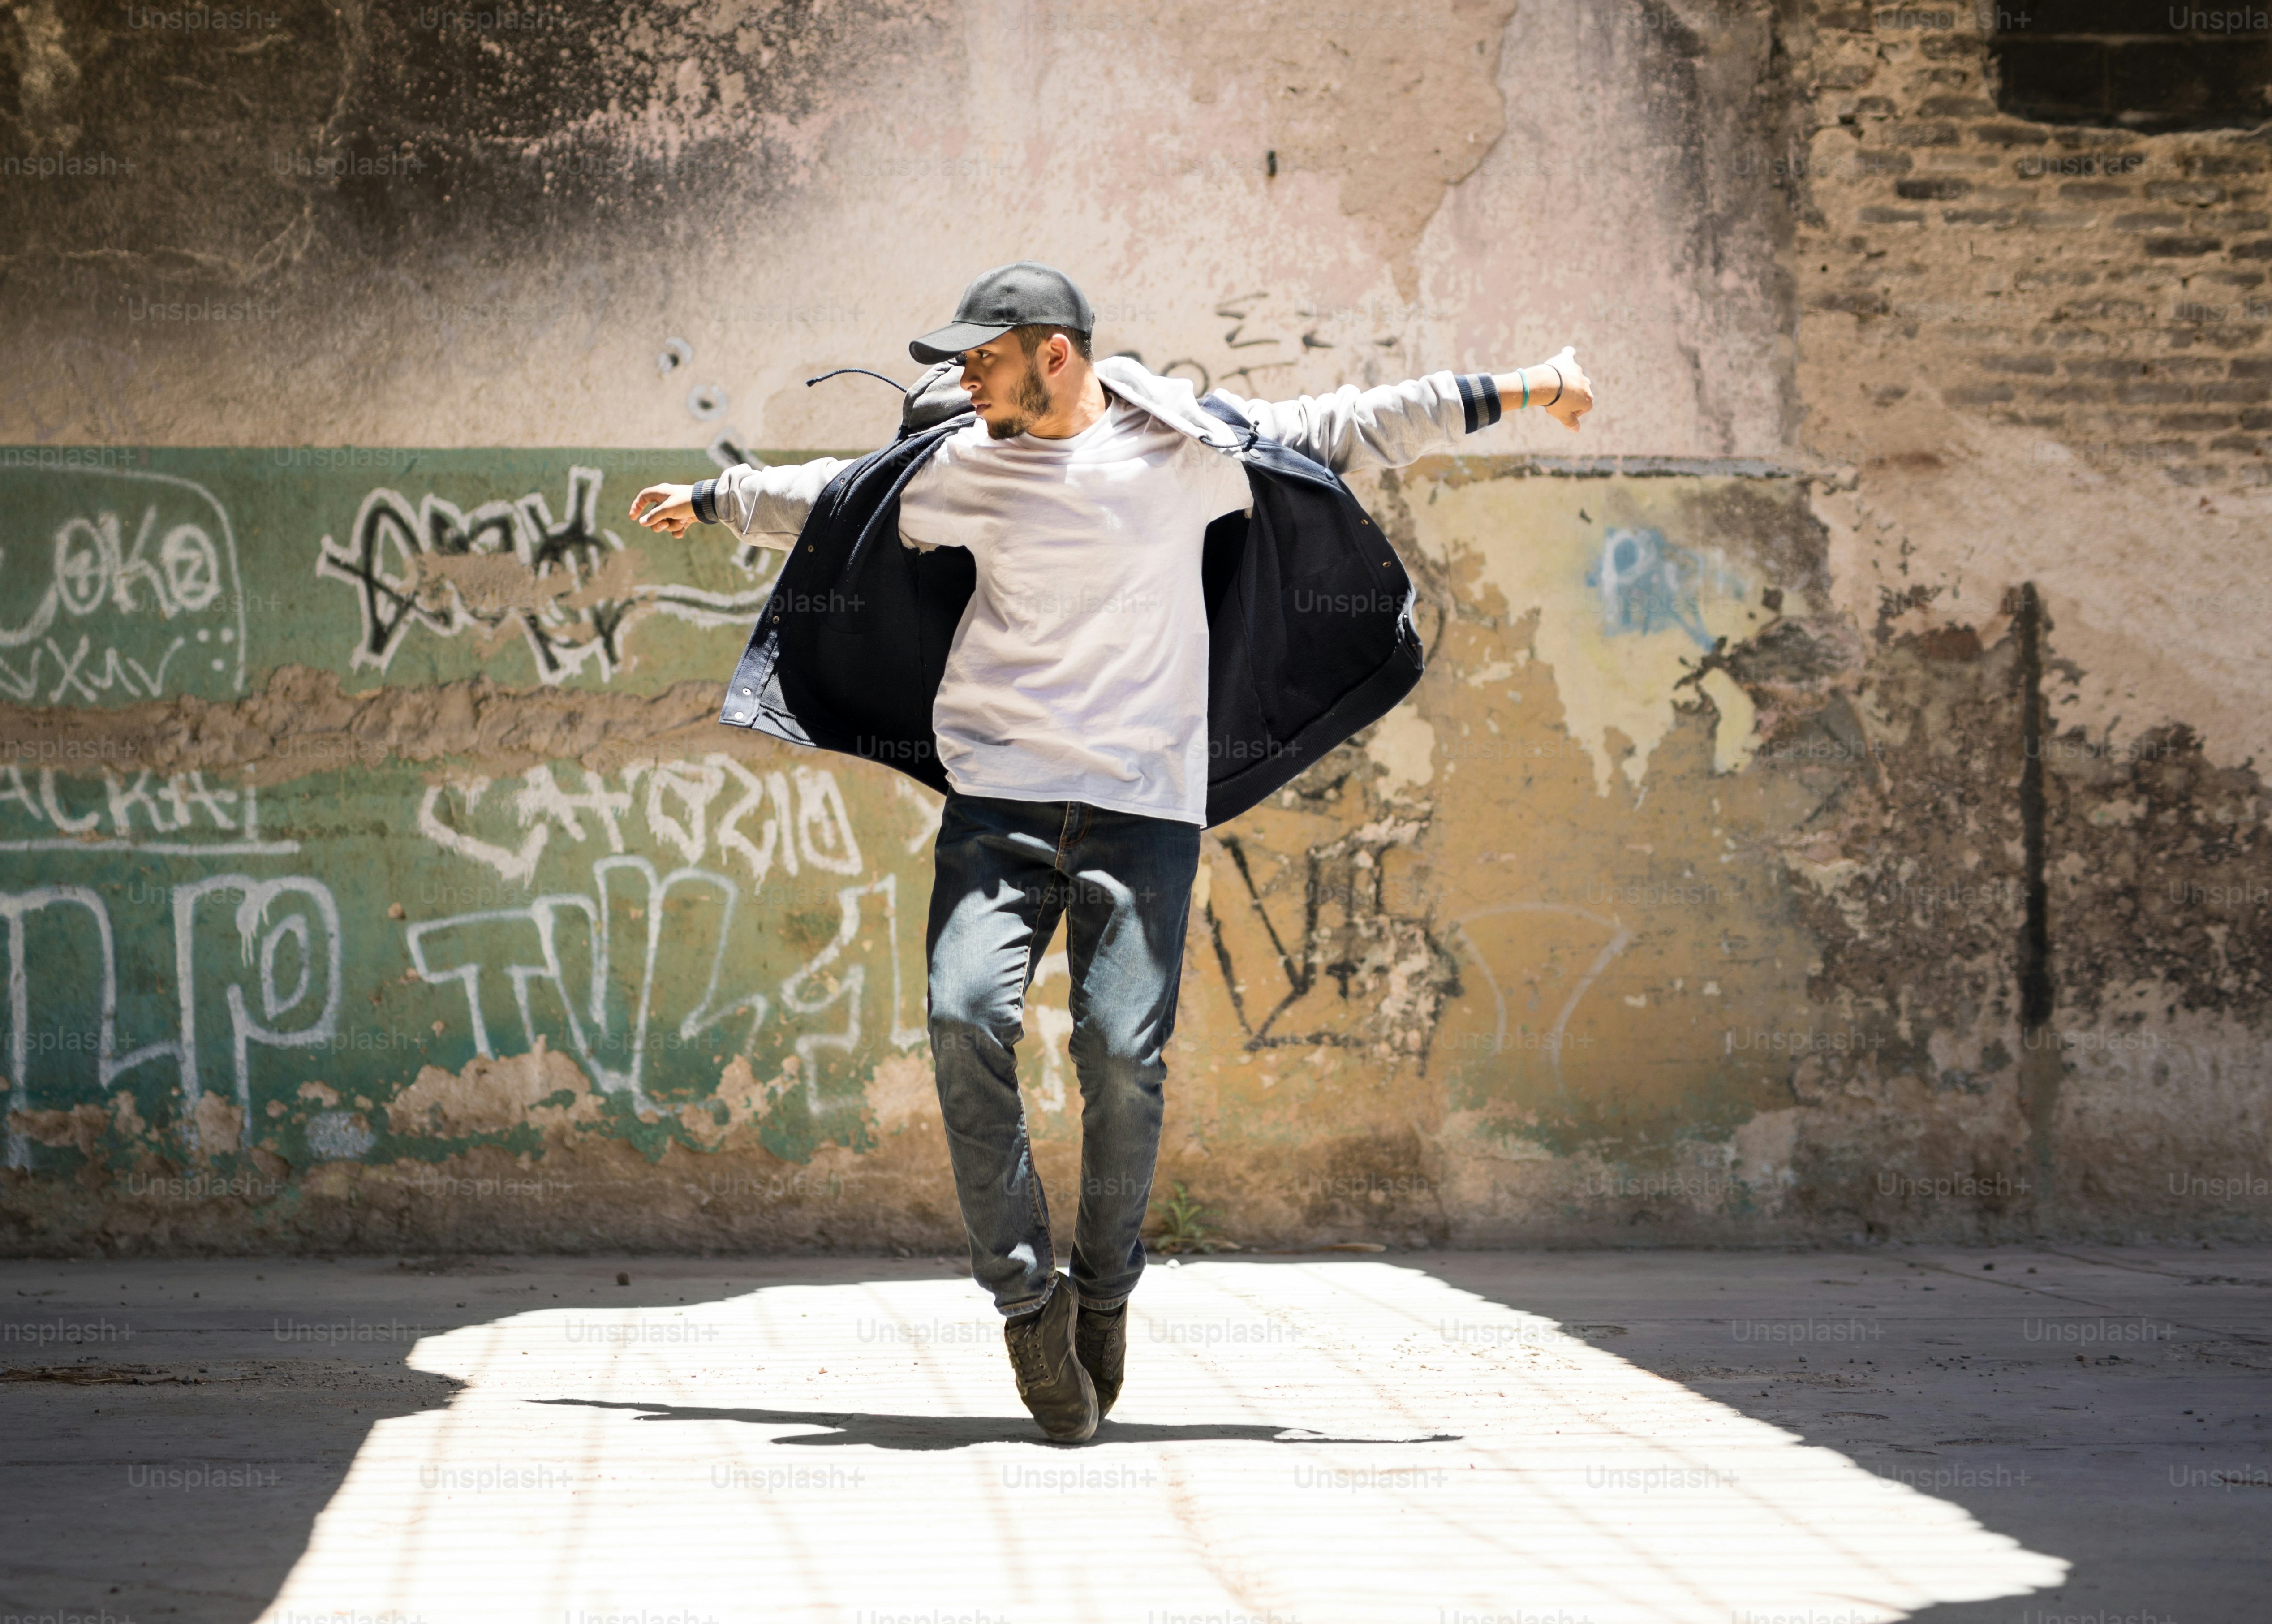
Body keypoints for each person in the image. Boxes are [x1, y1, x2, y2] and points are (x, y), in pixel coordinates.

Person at [628, 262, 1595, 1443]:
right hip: (1001, 804)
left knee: (1120, 1057)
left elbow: (1353, 422)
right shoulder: (963, 465)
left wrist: (1533, 385)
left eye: (981, 357)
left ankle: (1107, 1285)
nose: (962, 379)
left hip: (1142, 811)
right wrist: (720, 497)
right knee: (962, 1017)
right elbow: (841, 494)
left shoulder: (1188, 451)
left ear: (1052, 353)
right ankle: (1028, 1302)